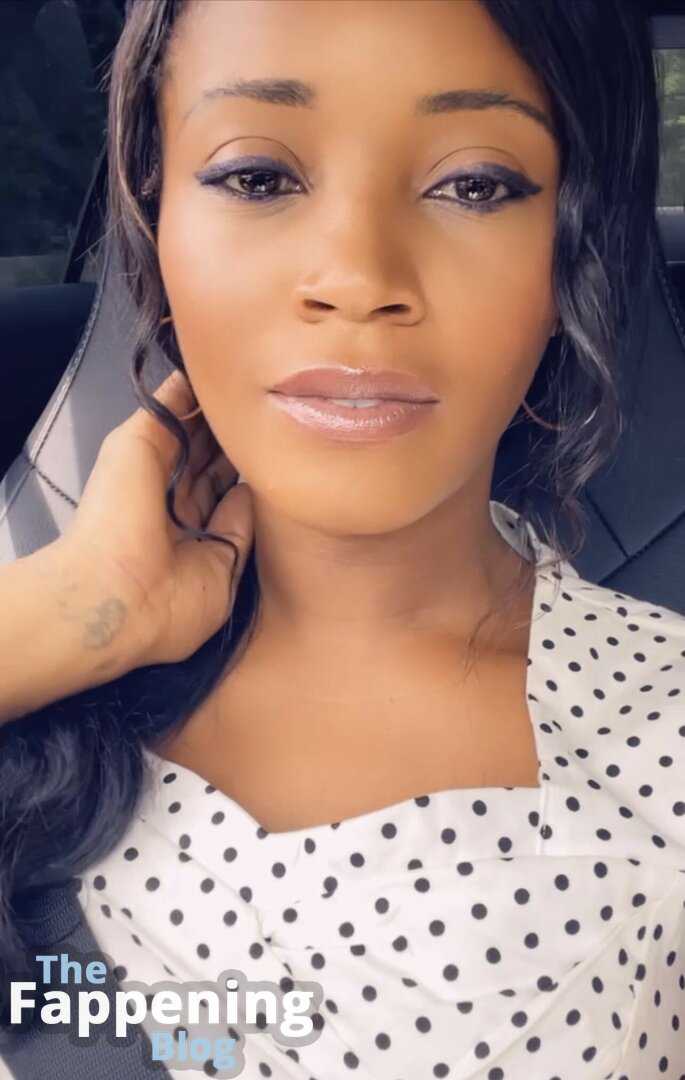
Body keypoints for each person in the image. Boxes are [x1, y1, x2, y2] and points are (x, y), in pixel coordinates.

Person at [1, 0, 682, 1077]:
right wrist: (78, 612)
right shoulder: (40, 642)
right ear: (156, 225)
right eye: (257, 176)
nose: (359, 278)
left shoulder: (662, 718)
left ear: (570, 254)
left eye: (475, 184)